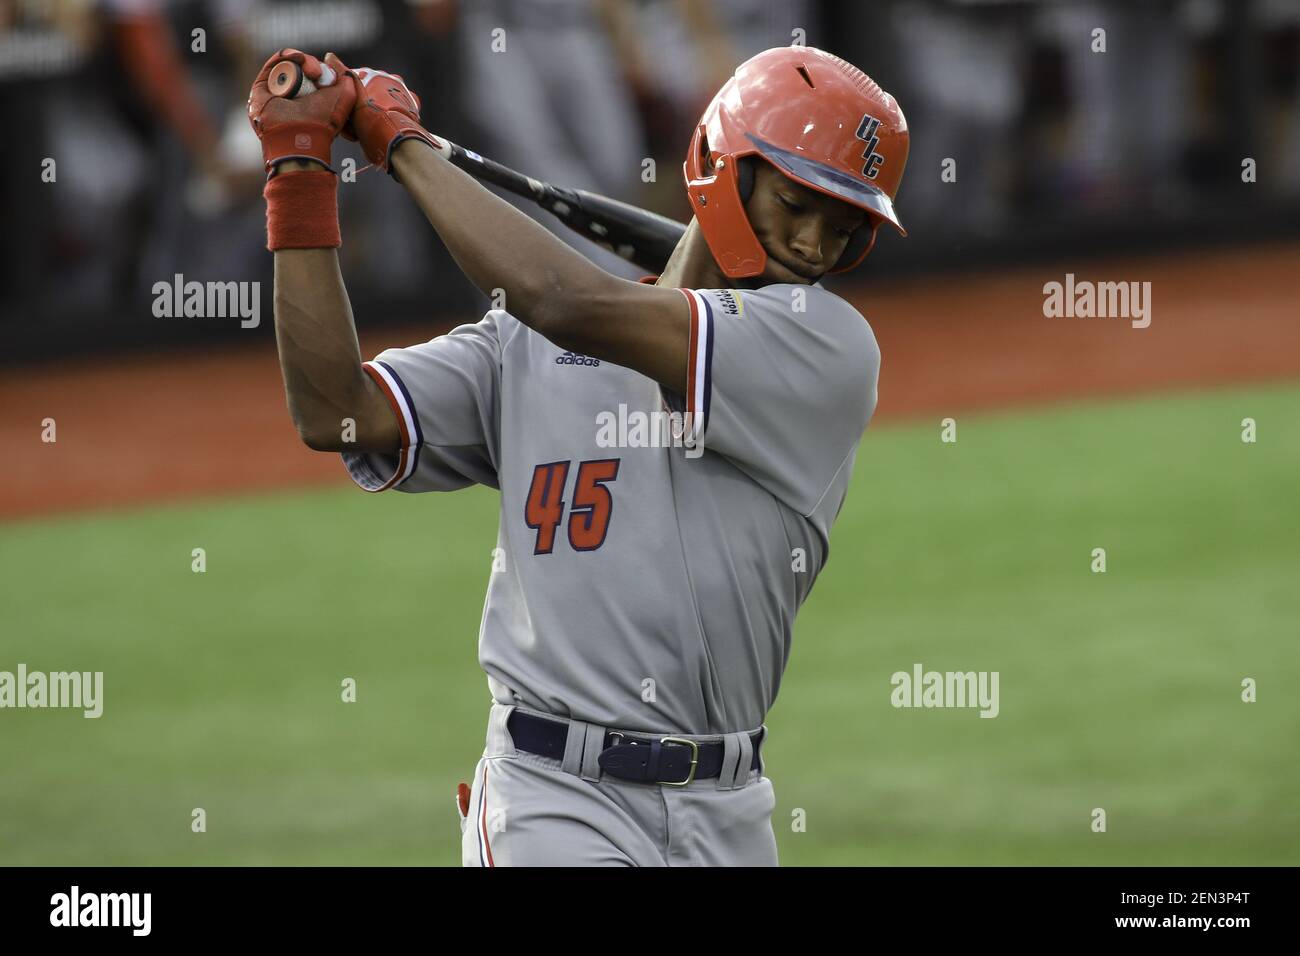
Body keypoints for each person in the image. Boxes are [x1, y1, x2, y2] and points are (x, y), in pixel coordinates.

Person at [247, 43, 908, 866]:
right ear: (722, 165)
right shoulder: (519, 348)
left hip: (731, 811)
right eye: (797, 204)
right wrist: (299, 172)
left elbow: (562, 298)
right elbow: (334, 410)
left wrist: (397, 141)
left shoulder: (828, 348)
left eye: (845, 228)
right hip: (552, 801)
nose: (814, 246)